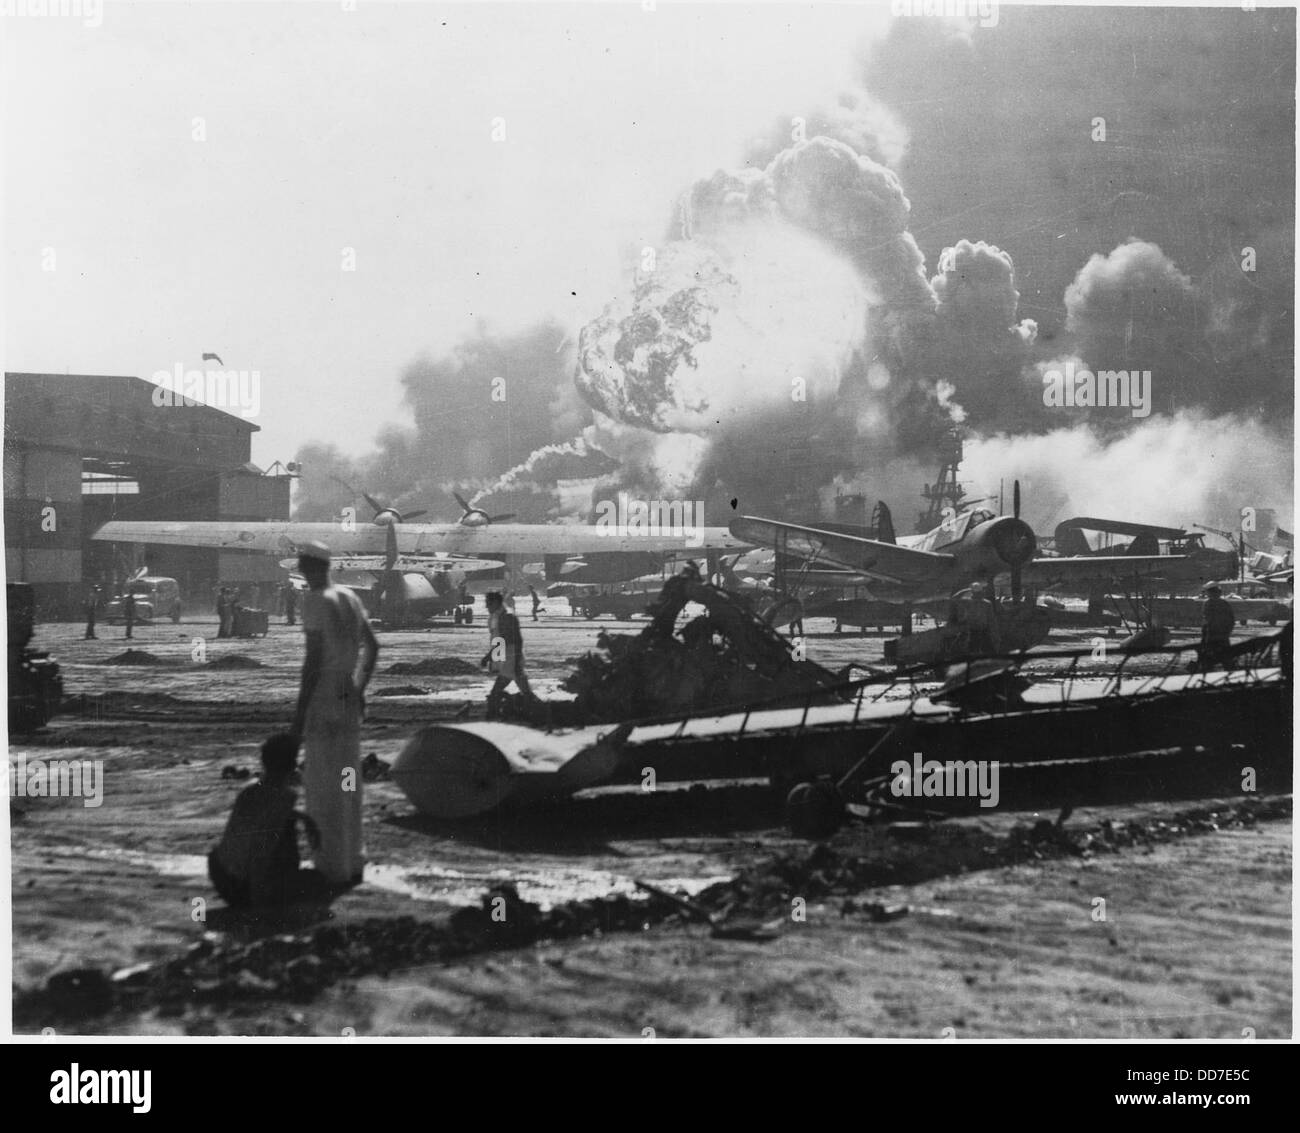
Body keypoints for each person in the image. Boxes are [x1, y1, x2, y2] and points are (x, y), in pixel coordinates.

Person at [290, 541, 379, 886]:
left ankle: (329, 864)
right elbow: (372, 646)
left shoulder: (314, 601)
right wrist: (359, 688)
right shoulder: (350, 598)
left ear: (309, 567)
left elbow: (312, 662)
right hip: (346, 694)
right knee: (348, 778)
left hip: (324, 695)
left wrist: (299, 713)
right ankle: (353, 858)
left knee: (323, 782)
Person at [208, 733, 320, 908]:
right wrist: (260, 907)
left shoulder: (249, 791)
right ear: (292, 766)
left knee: (283, 822)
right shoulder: (285, 798)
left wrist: (303, 817)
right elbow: (262, 851)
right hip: (244, 887)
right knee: (314, 881)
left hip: (220, 874)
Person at [482, 591, 538, 719]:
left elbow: (514, 640)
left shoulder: (507, 618)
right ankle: (536, 711)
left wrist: (489, 657)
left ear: (496, 603)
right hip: (509, 660)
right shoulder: (498, 618)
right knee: (525, 691)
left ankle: (493, 715)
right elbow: (500, 641)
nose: (487, 607)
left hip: (511, 659)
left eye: (488, 604)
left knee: (496, 692)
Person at [1200, 584, 1236, 670]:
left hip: (1212, 633)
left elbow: (1206, 618)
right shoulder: (1224, 603)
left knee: (1209, 655)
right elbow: (1231, 619)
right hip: (1222, 633)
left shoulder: (1207, 603)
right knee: (1225, 656)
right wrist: (1228, 631)